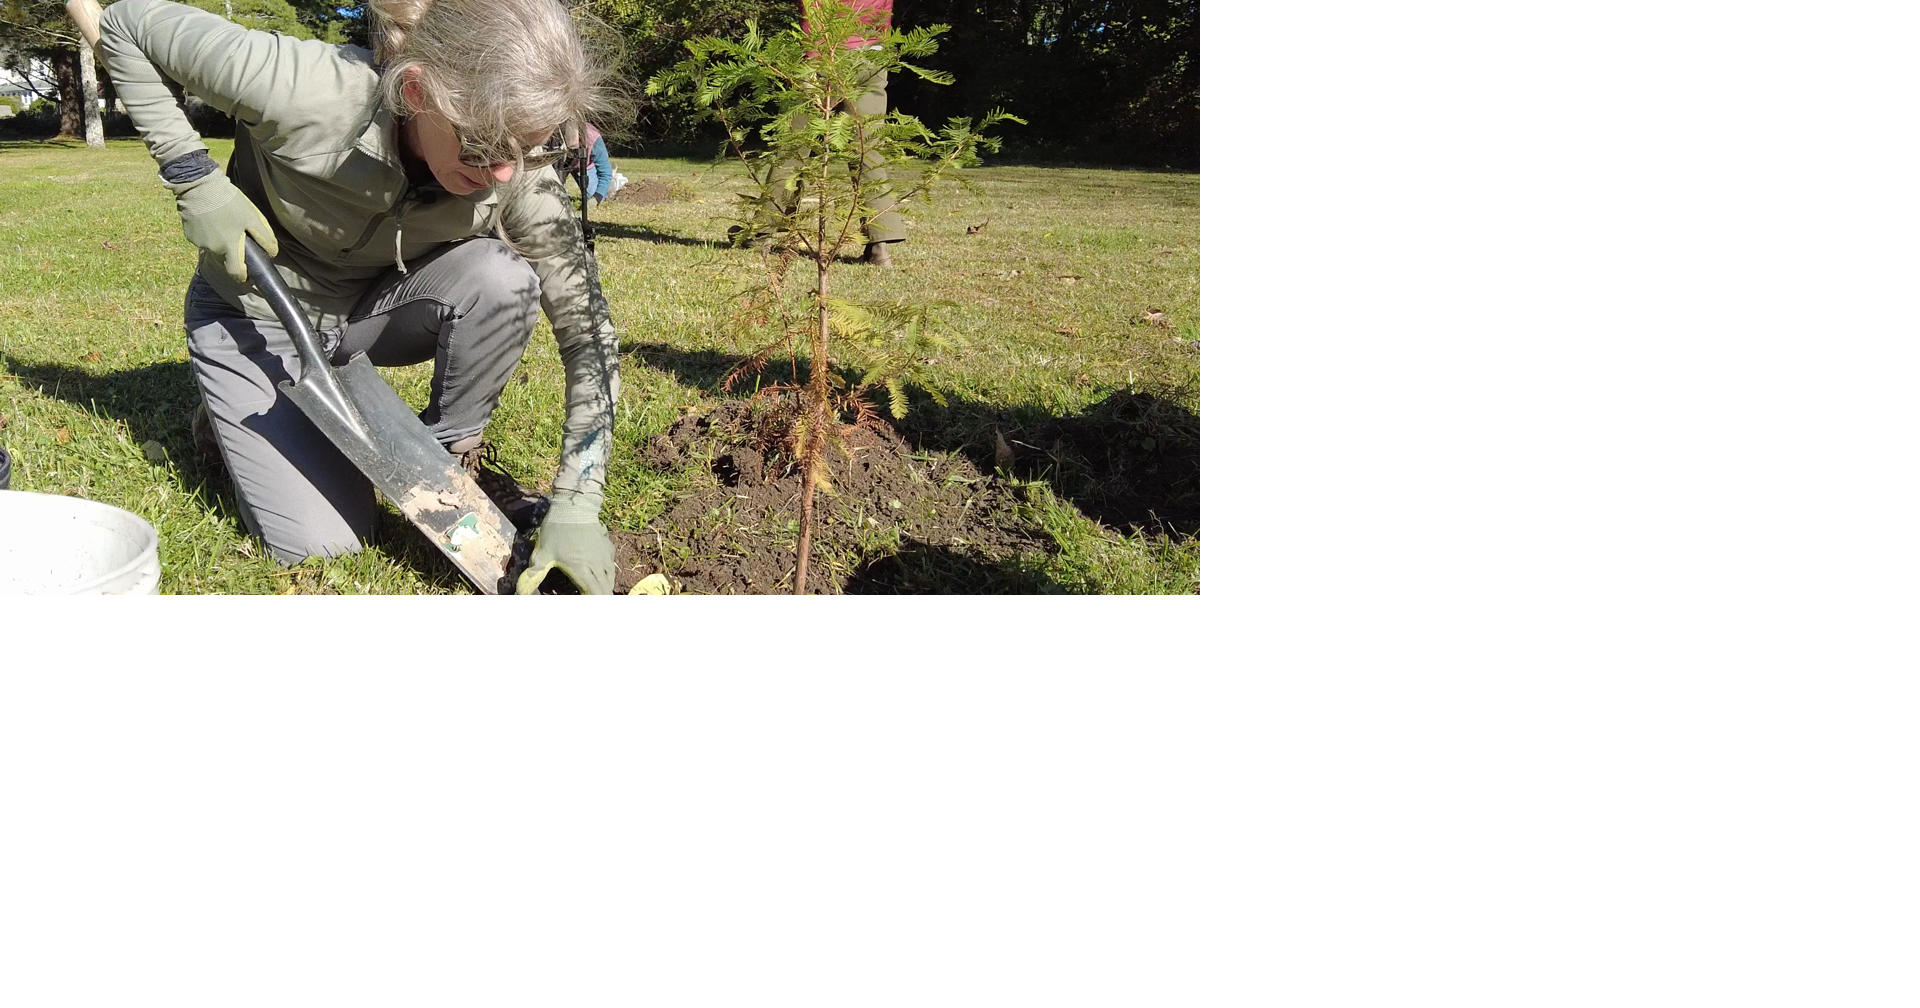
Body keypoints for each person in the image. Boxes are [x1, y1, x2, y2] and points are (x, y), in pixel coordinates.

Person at [97, 0, 625, 593]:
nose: (503, 173)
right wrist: (193, 175)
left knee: (501, 278)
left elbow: (591, 341)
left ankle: (452, 464)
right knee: (327, 545)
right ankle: (235, 410)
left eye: (522, 149)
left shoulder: (520, 176)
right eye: (483, 145)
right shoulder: (306, 87)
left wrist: (578, 504)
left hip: (370, 314)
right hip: (258, 311)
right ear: (421, 93)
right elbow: (124, 24)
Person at [754, 0, 904, 266]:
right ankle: (879, 248)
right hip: (872, 56)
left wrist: (810, 60)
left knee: (794, 148)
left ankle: (761, 233)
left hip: (826, 54)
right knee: (865, 147)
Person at [554, 120, 615, 206]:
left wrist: (597, 198)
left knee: (592, 194)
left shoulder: (593, 137)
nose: (572, 153)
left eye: (574, 149)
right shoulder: (552, 134)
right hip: (559, 166)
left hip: (584, 166)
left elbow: (605, 173)